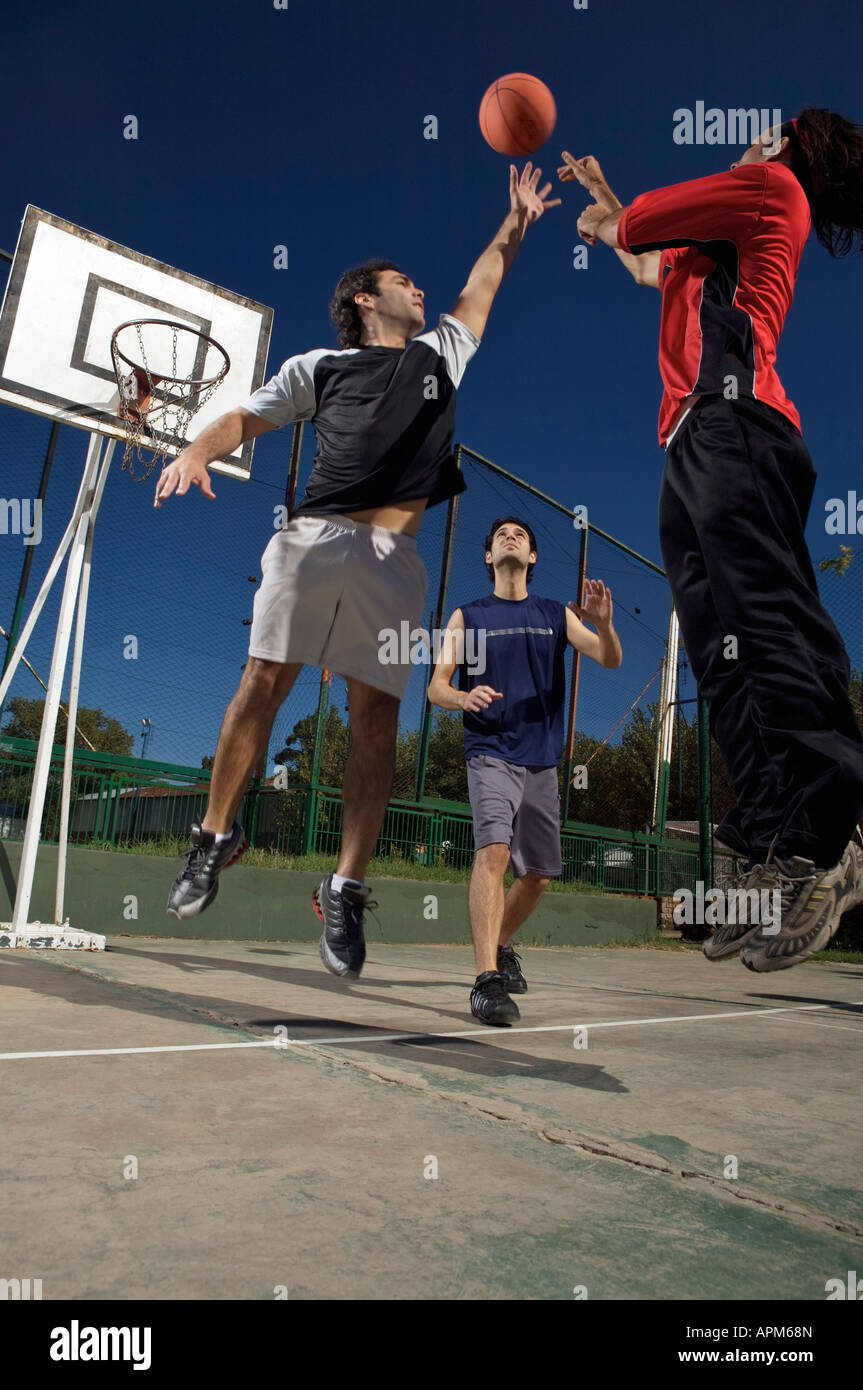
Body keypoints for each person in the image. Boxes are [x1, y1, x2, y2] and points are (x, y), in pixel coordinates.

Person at [155, 164, 560, 980]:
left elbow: (485, 280)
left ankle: (345, 886)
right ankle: (213, 837)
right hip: (310, 539)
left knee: (375, 721)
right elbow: (246, 415)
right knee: (262, 680)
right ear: (365, 300)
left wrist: (516, 220)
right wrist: (198, 448)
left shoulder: (442, 353)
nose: (419, 287)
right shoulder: (319, 367)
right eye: (400, 281)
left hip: (393, 561)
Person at [559, 108, 863, 971]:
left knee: (768, 623)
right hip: (692, 439)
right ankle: (774, 847)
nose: (747, 134)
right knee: (719, 655)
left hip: (740, 423)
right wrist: (605, 199)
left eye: (761, 127)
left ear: (779, 145)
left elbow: (640, 225)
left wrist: (607, 215)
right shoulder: (713, 241)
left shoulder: (768, 191)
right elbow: (647, 258)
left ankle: (832, 831)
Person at [428, 516, 622, 1024]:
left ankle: (502, 945)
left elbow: (609, 658)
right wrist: (463, 696)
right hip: (489, 750)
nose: (510, 537)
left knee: (537, 876)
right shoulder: (468, 617)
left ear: (532, 557)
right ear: (489, 557)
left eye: (520, 536)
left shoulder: (556, 614)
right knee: (493, 851)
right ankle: (485, 981)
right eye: (499, 536)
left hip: (541, 760)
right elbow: (436, 686)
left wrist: (604, 623)